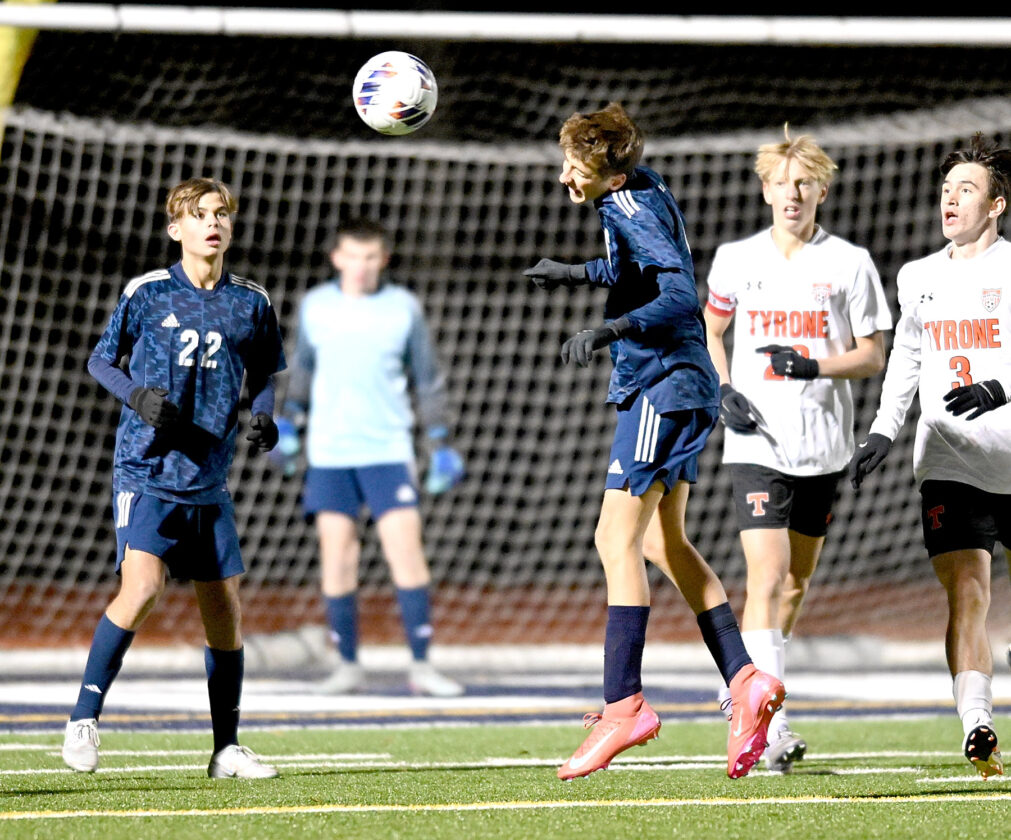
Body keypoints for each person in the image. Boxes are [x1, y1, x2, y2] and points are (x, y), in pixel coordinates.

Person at [524, 102, 784, 781]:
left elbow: (675, 292)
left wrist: (610, 331)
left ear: (601, 171)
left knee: (612, 540)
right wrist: (576, 275)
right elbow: (639, 265)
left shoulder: (625, 208)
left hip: (660, 385)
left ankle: (624, 706)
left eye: (570, 166)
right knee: (659, 542)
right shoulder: (644, 186)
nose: (563, 178)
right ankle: (745, 679)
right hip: (685, 385)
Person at [62, 177, 285, 779]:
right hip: (148, 469)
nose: (213, 224)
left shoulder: (251, 302)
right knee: (143, 589)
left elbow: (265, 370)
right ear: (175, 228)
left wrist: (265, 416)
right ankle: (84, 717)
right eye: (199, 215)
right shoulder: (148, 293)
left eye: (222, 214)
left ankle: (225, 749)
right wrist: (136, 395)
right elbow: (100, 361)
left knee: (224, 612)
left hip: (209, 478)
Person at [702, 126, 892, 771]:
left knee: (796, 584)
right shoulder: (736, 258)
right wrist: (722, 388)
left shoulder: (850, 263)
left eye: (804, 183)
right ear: (764, 190)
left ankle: (746, 687)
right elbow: (712, 328)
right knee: (768, 576)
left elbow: (872, 356)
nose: (792, 194)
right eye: (781, 183)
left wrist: (814, 368)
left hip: (825, 445)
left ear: (822, 190)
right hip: (756, 442)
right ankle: (769, 726)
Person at [850, 133, 1011, 780]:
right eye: (945, 190)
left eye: (965, 189)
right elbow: (906, 362)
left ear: (996, 205)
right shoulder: (916, 276)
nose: (949, 199)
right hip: (947, 460)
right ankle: (976, 722)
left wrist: (1000, 386)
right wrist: (883, 431)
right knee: (966, 593)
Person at [277, 217, 465, 697]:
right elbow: (300, 369)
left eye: (370, 257)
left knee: (407, 554)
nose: (360, 267)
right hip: (330, 452)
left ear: (383, 260)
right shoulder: (316, 307)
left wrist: (439, 442)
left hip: (387, 449)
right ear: (337, 258)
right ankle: (347, 665)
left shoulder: (403, 309)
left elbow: (426, 378)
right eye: (352, 256)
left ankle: (421, 665)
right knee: (337, 559)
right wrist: (288, 421)